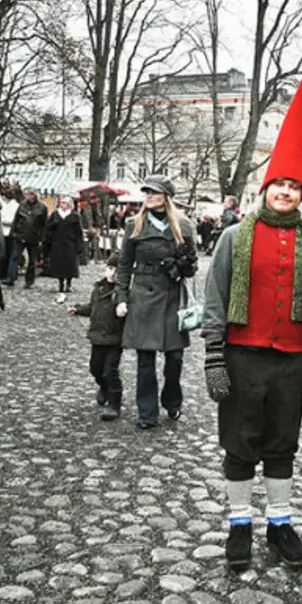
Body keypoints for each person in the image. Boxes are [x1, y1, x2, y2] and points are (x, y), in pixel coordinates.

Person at [202, 67, 302, 571]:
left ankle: (279, 523)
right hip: (241, 357)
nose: (285, 193)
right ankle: (238, 526)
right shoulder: (235, 237)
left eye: (294, 187)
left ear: (301, 195)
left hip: (289, 362)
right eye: (278, 185)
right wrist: (214, 356)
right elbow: (214, 298)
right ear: (265, 188)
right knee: (239, 445)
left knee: (281, 446)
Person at [115, 176, 198, 429]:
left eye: (154, 192)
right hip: (143, 294)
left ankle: (172, 401)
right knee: (145, 360)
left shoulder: (183, 226)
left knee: (175, 359)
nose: (149, 196)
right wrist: (121, 297)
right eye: (147, 192)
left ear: (166, 197)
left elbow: (192, 266)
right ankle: (147, 412)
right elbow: (124, 264)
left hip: (172, 296)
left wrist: (183, 265)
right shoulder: (134, 225)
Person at [69, 253, 126, 421]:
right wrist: (79, 309)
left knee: (110, 371)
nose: (112, 273)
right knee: (95, 368)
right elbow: (93, 307)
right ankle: (104, 387)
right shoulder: (98, 288)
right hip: (97, 337)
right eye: (110, 268)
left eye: (116, 270)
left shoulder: (123, 292)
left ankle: (114, 403)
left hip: (114, 339)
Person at [43, 196, 83, 299]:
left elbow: (79, 231)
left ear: (70, 204)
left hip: (71, 242)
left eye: (65, 203)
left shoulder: (74, 216)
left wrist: (79, 244)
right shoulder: (55, 214)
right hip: (58, 242)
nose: (63, 204)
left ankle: (69, 283)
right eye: (62, 202)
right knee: (59, 264)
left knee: (70, 263)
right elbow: (48, 229)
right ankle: (61, 283)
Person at [15, 189, 48, 289]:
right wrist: (15, 232)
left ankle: (29, 280)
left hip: (34, 237)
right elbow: (16, 219)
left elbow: (44, 224)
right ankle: (11, 278)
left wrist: (42, 238)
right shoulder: (22, 205)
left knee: (32, 260)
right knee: (15, 256)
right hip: (21, 235)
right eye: (27, 194)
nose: (28, 196)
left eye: (31, 194)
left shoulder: (42, 207)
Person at [0, 187, 20, 285]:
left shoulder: (14, 206)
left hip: (9, 232)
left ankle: (9, 275)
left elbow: (13, 221)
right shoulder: (6, 205)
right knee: (7, 254)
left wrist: (2, 221)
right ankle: (7, 274)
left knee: (9, 254)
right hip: (5, 232)